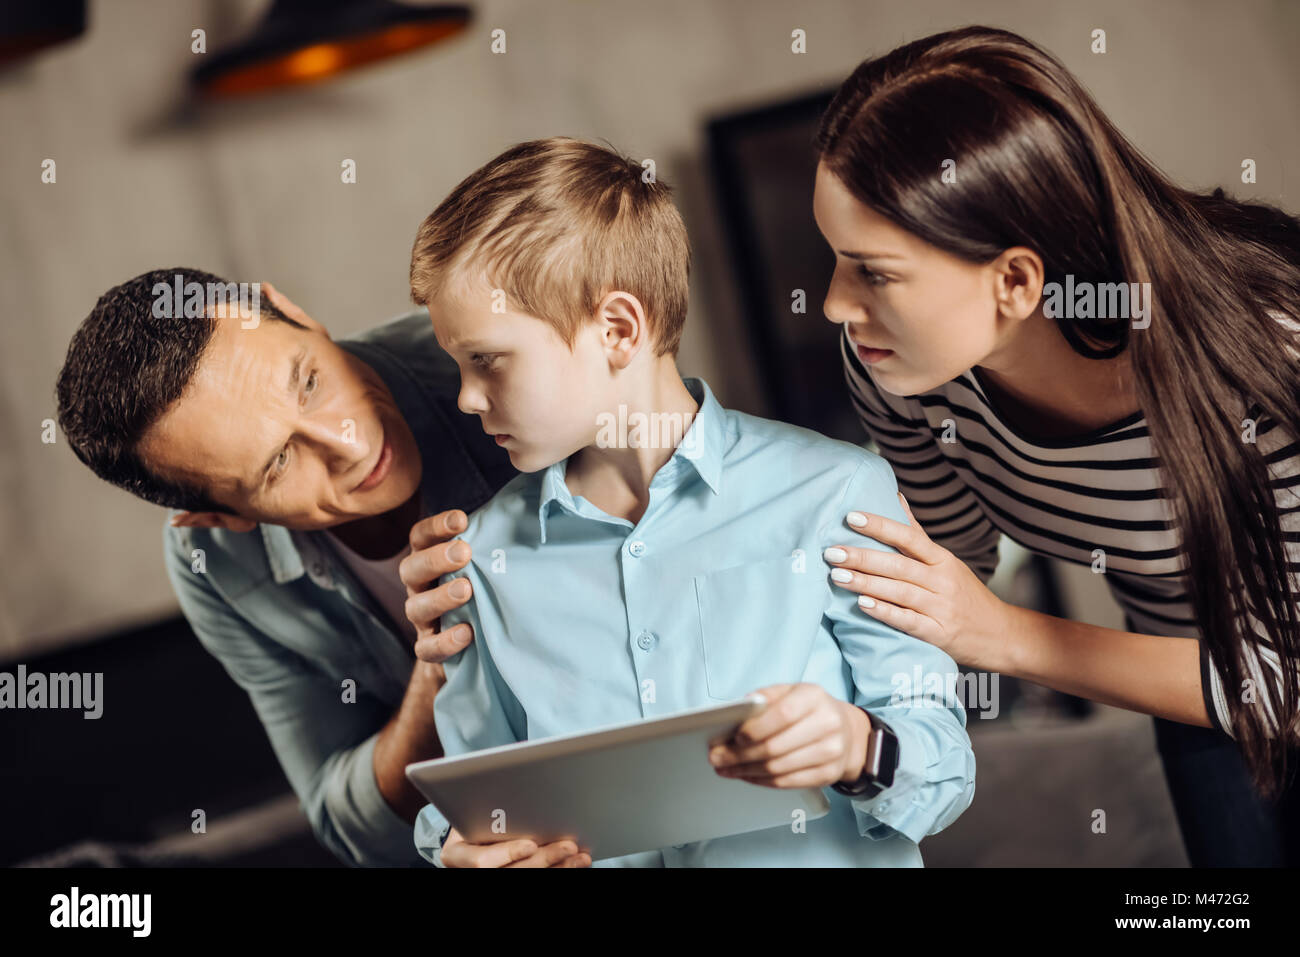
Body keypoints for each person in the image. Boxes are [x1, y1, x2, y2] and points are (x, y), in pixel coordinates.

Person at [404, 137, 976, 868]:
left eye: (486, 359)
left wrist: (858, 745)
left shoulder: (837, 492)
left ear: (617, 329)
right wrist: (462, 851)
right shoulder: (477, 562)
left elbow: (945, 767)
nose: (466, 397)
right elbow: (479, 801)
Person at [811, 26, 1300, 865]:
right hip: (1192, 692)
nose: (832, 305)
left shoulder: (1264, 347)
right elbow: (943, 587)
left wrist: (1007, 636)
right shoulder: (898, 370)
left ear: (1015, 280)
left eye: (874, 272)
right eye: (832, 260)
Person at [55, 270, 516, 865]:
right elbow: (356, 830)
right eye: (277, 463)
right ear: (222, 519)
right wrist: (439, 675)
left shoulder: (498, 353)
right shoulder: (215, 564)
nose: (348, 444)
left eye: (309, 382)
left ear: (297, 314)